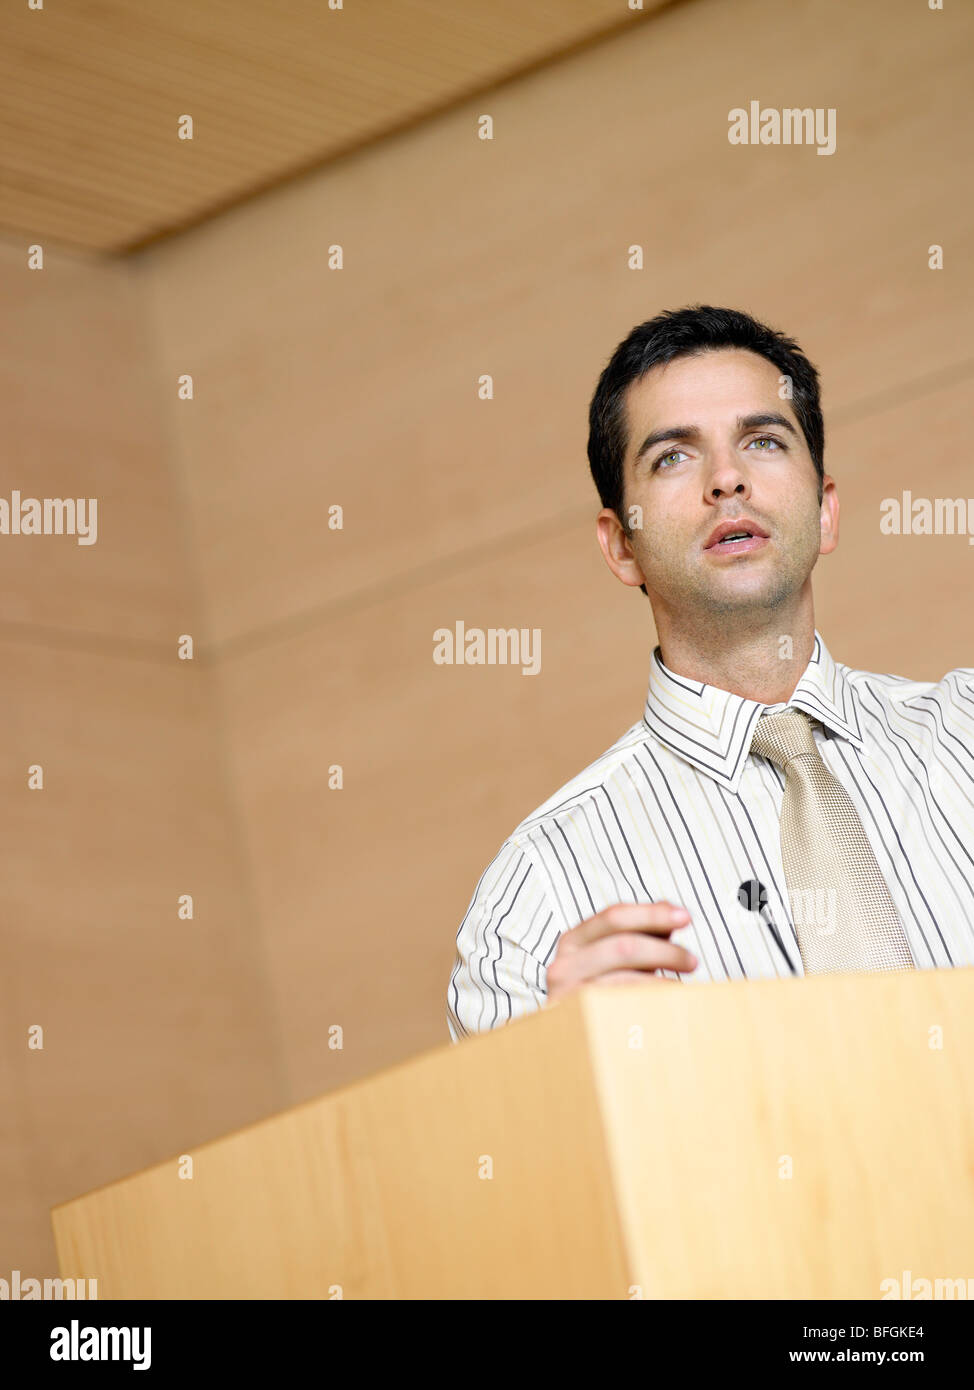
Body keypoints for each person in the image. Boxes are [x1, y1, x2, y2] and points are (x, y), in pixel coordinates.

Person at [447, 305, 974, 1042]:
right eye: (672, 456)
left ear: (825, 510)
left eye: (762, 441)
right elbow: (501, 1153)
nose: (727, 479)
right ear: (620, 546)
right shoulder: (542, 892)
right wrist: (560, 1065)